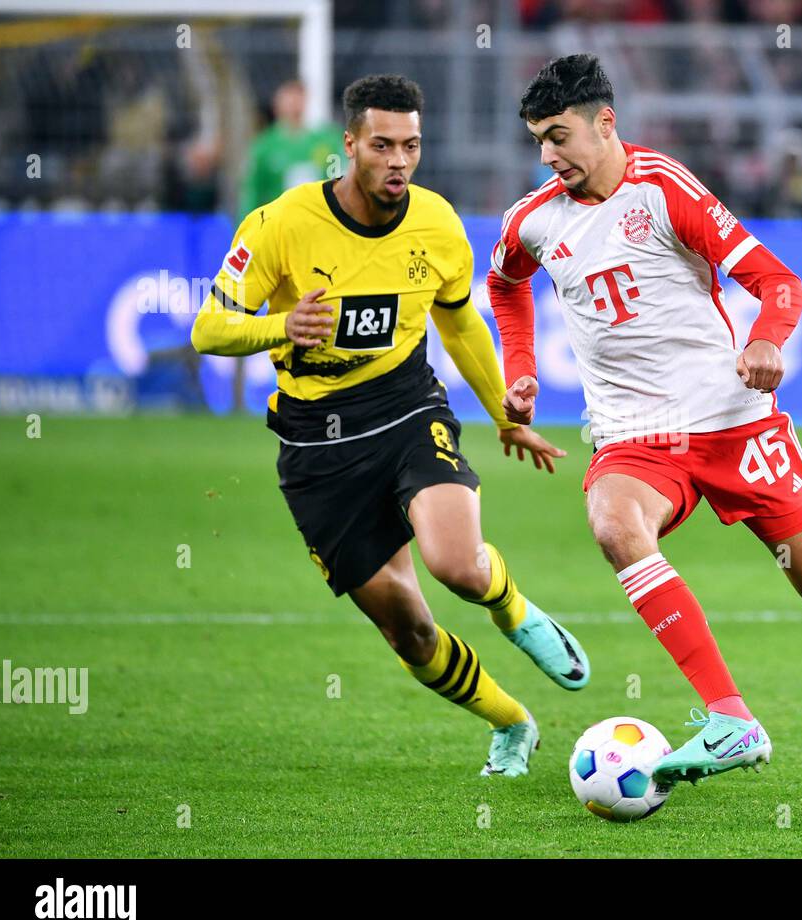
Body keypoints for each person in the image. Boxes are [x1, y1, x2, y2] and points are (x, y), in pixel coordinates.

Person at [487, 54, 802, 786]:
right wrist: (519, 367)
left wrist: (768, 338)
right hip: (633, 435)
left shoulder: (665, 190)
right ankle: (732, 719)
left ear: (605, 124)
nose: (548, 157)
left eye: (558, 137)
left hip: (732, 420)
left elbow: (777, 281)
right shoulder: (534, 220)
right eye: (537, 142)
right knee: (615, 525)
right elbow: (503, 283)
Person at [192, 74, 589, 775]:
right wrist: (280, 325)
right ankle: (512, 723)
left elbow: (460, 318)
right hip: (315, 442)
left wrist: (505, 415)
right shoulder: (281, 224)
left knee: (456, 565)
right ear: (349, 145)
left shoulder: (435, 223)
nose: (398, 160)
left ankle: (516, 612)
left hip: (405, 406)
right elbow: (206, 328)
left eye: (411, 145)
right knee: (407, 630)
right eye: (382, 145)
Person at [238, 78, 344, 218]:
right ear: (277, 102)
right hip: (278, 223)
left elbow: (338, 180)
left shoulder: (326, 141)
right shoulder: (264, 146)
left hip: (316, 221)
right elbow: (253, 192)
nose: (294, 104)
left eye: (298, 97)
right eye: (289, 98)